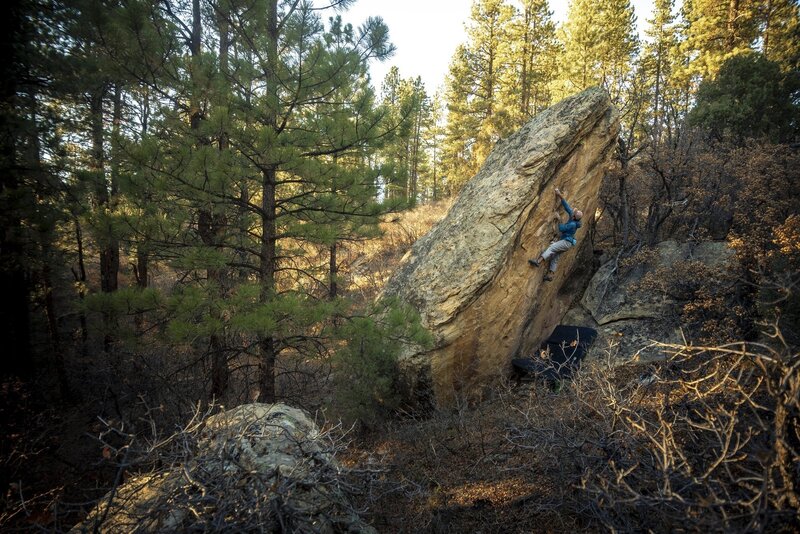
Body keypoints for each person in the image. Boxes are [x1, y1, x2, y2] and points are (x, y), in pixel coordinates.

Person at [529, 187, 583, 281]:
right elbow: (566, 205)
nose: (572, 212)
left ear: (574, 217)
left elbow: (561, 228)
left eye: (573, 213)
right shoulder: (573, 218)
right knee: (555, 257)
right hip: (567, 243)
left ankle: (538, 261)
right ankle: (550, 275)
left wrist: (558, 218)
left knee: (552, 248)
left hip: (566, 242)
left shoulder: (572, 224)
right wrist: (558, 194)